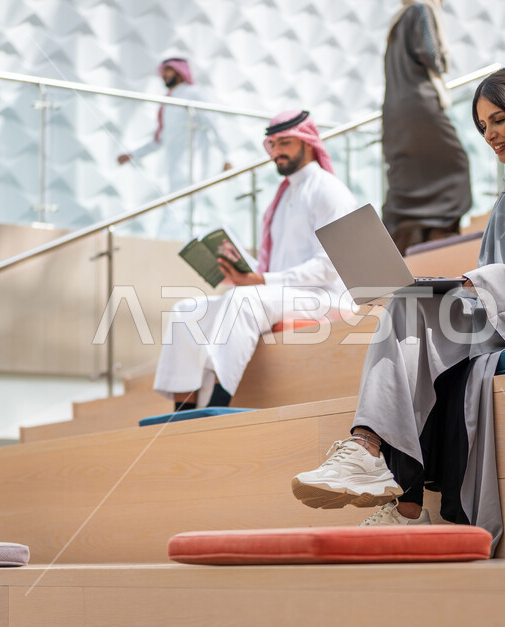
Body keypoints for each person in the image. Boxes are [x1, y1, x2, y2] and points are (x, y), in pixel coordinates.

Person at [291, 68, 505, 553]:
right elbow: (487, 284)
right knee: (407, 302)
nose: (490, 135)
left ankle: (403, 500)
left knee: (433, 334)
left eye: (500, 119)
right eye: (483, 126)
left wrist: (478, 283)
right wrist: (450, 289)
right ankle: (367, 448)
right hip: (504, 320)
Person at [153, 110, 357, 410]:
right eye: (272, 145)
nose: (276, 152)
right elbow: (273, 268)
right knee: (187, 311)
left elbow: (331, 265)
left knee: (244, 300)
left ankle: (219, 406)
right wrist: (238, 272)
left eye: (285, 143)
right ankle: (182, 412)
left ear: (308, 143)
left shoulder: (329, 190)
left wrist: (259, 281)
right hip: (285, 293)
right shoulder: (285, 195)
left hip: (328, 297)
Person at [381, 0, 472, 255]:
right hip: (420, 106)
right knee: (457, 166)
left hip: (395, 113)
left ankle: (412, 236)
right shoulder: (422, 9)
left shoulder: (397, 20)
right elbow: (432, 56)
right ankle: (439, 233)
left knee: (409, 176)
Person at [117, 58, 233, 237]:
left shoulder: (193, 94)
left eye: (168, 71)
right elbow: (159, 138)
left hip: (194, 164)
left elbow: (215, 123)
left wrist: (227, 156)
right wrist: (133, 155)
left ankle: (173, 241)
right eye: (163, 71)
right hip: (175, 166)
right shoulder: (168, 101)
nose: (163, 76)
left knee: (187, 206)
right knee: (181, 207)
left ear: (179, 72)